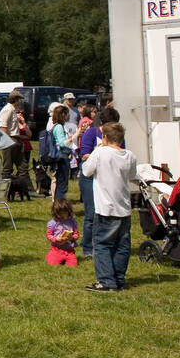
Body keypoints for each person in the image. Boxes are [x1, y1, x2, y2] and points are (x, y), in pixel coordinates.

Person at [81, 122, 136, 292]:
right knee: (122, 245)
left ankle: (106, 281)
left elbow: (86, 171)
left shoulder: (101, 152)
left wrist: (98, 149)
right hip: (124, 207)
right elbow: (133, 175)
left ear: (104, 137)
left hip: (105, 208)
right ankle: (118, 279)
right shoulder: (129, 155)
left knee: (102, 244)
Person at [76, 107, 103, 257]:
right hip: (89, 176)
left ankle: (101, 244)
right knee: (91, 213)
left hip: (105, 177)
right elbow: (84, 155)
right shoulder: (91, 133)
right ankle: (87, 247)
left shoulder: (116, 136)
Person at [49, 104, 74, 201]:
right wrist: (75, 136)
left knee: (60, 182)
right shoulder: (59, 127)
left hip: (62, 157)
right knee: (62, 184)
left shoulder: (59, 126)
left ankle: (58, 205)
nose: (69, 116)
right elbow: (63, 143)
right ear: (63, 114)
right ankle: (60, 206)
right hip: (62, 157)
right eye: (67, 114)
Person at [0, 91, 24, 179]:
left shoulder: (12, 109)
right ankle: (6, 189)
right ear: (16, 99)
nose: (20, 102)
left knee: (22, 167)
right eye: (20, 100)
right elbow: (3, 127)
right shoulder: (7, 109)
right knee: (7, 168)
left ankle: (26, 188)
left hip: (15, 139)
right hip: (10, 140)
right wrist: (7, 142)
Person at [46, 197, 80, 267]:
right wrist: (56, 239)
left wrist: (72, 238)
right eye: (60, 213)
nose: (63, 215)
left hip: (69, 250)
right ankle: (50, 255)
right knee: (52, 263)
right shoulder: (53, 223)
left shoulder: (72, 222)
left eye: (65, 212)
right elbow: (48, 235)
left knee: (73, 265)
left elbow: (76, 234)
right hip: (56, 249)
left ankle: (67, 258)